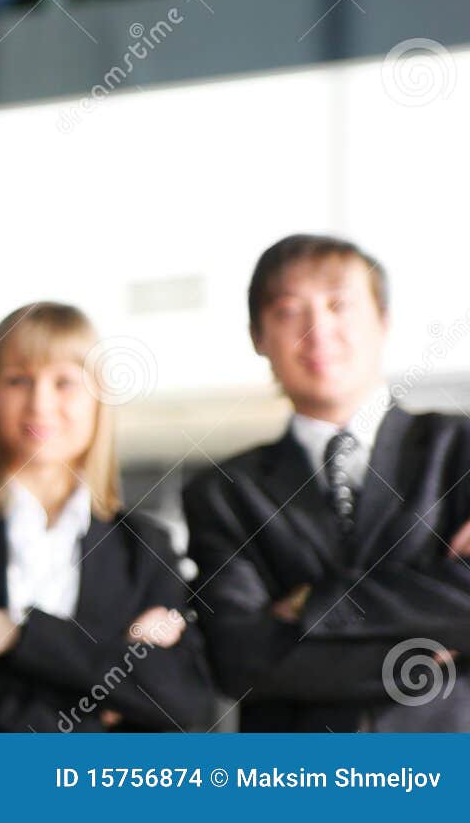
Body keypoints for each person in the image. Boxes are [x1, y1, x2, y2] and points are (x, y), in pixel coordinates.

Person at [0, 302, 214, 732]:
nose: (40, 403)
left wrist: (14, 632)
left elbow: (183, 700)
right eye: (18, 380)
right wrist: (99, 701)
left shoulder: (146, 546)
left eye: (64, 382)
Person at [183, 234, 470, 730]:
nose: (317, 331)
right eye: (289, 311)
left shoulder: (459, 449)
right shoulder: (223, 492)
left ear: (383, 320)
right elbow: (239, 659)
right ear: (258, 337)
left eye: (340, 306)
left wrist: (312, 605)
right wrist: (422, 651)